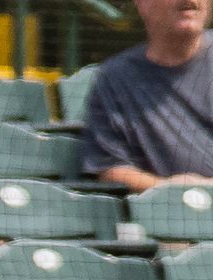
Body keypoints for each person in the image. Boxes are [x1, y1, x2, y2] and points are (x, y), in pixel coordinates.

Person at [80, 0, 213, 191]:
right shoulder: (115, 79)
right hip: (163, 216)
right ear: (143, 4)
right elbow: (111, 169)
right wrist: (171, 190)